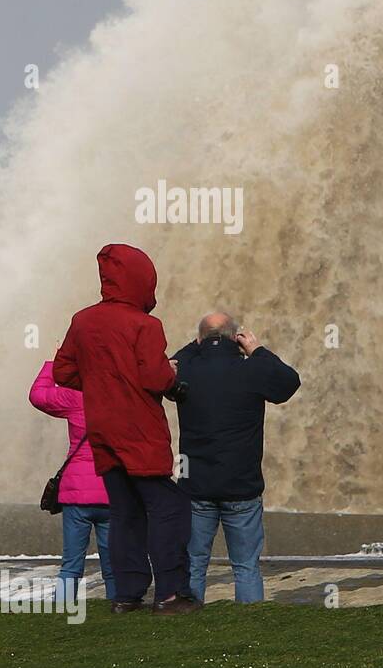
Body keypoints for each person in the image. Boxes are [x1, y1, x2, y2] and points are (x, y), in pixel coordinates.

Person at [53, 244, 198, 614]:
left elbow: (63, 373)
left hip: (103, 430)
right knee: (170, 507)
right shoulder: (145, 325)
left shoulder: (82, 320)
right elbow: (153, 376)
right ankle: (170, 594)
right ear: (141, 281)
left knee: (125, 511)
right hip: (138, 430)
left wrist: (104, 383)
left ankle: (126, 596)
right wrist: (172, 378)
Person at [173, 312, 300, 602]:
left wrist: (198, 344)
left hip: (197, 487)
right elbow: (289, 383)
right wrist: (257, 351)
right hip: (242, 487)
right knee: (246, 567)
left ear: (200, 339)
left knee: (193, 565)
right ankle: (250, 626)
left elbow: (168, 366)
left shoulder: (187, 372)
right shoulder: (252, 370)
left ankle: (189, 624)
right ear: (236, 338)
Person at [29, 360, 117, 602]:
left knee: (71, 563)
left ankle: (63, 607)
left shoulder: (76, 397)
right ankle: (117, 607)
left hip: (76, 494)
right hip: (110, 490)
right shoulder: (120, 399)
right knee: (112, 565)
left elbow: (38, 395)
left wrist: (52, 362)